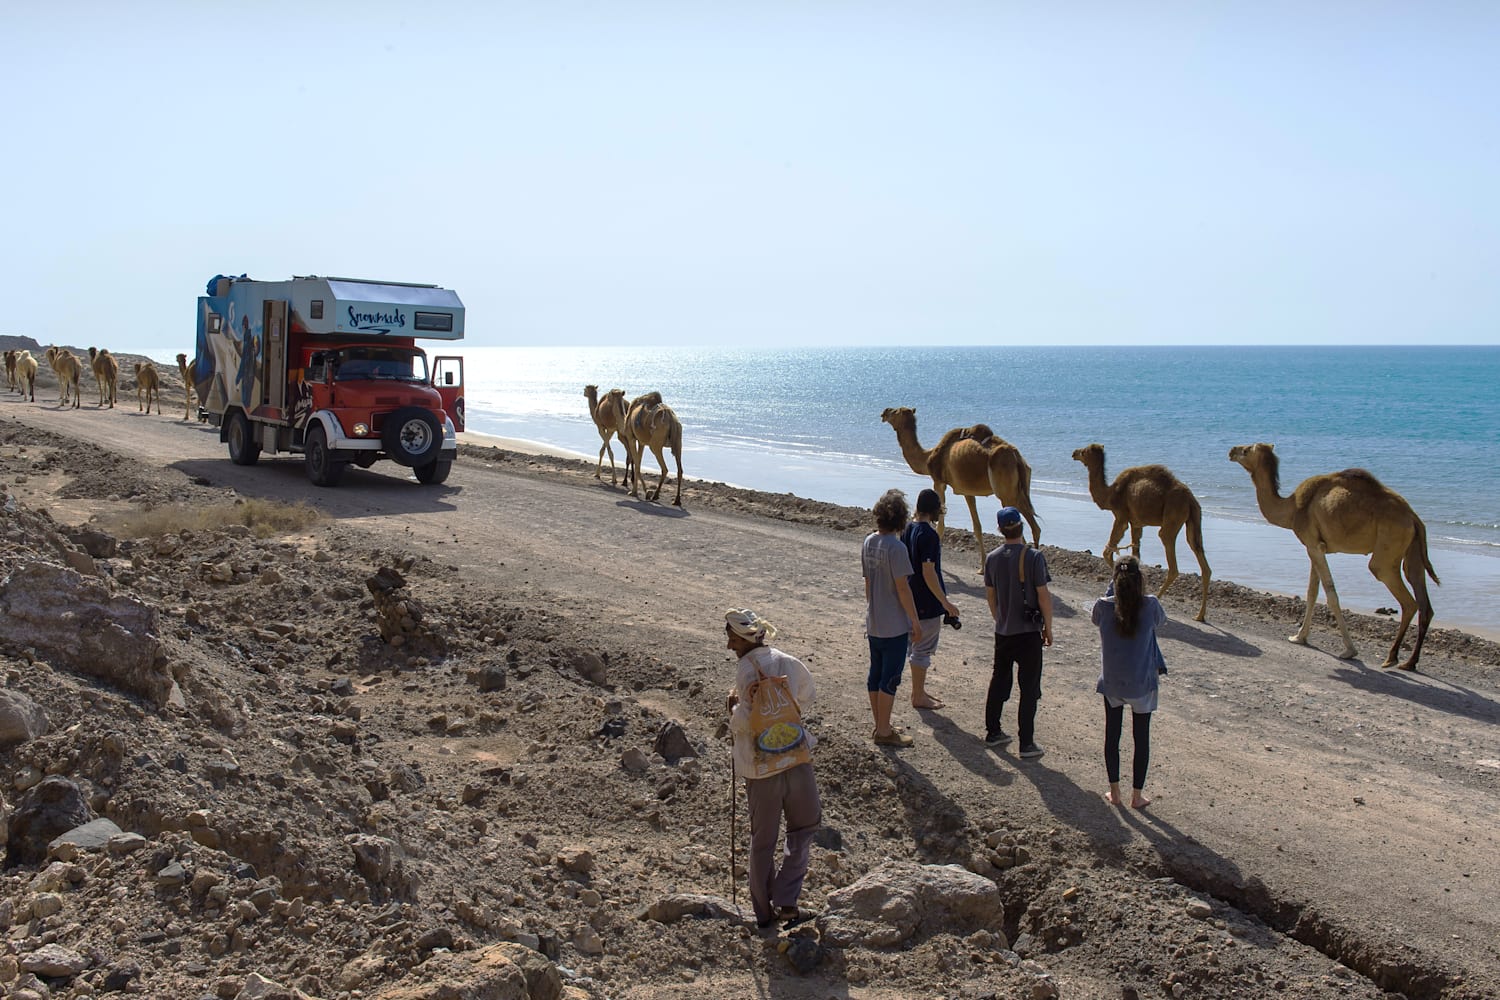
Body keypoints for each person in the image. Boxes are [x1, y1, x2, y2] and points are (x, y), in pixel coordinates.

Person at [724, 608, 822, 928]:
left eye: (732, 638)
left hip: (759, 767)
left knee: (763, 838)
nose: (729, 645)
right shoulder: (788, 662)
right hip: (794, 756)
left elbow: (743, 723)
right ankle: (787, 899)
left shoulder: (744, 669)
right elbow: (807, 695)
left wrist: (735, 708)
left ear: (745, 638)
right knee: (805, 825)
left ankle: (764, 913)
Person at [1091, 557, 1167, 809]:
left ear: (1115, 581)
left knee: (1112, 735)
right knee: (1140, 738)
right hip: (1141, 683)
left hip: (1112, 683)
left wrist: (1111, 590)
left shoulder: (1103, 606)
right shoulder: (1151, 605)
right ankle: (1137, 795)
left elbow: (1096, 616)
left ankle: (1115, 792)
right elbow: (1160, 622)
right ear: (1140, 580)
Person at [982, 505, 1053, 758]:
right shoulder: (1034, 557)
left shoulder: (992, 558)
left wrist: (999, 618)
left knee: (999, 680)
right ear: (1021, 526)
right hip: (1028, 632)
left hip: (1004, 631)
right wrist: (1048, 628)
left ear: (1000, 529)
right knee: (1029, 687)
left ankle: (993, 731)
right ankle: (1027, 743)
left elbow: (991, 596)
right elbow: (1043, 596)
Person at [862, 489, 924, 747]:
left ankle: (880, 726)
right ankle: (884, 730)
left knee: (875, 674)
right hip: (894, 625)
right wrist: (915, 621)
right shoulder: (897, 548)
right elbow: (903, 588)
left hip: (875, 621)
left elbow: (868, 585)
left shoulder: (868, 542)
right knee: (890, 678)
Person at [901, 488, 960, 709]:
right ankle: (918, 695)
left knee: (911, 645)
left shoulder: (907, 529)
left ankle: (918, 691)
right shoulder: (929, 535)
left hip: (909, 597)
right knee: (922, 650)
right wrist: (945, 603)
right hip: (926, 602)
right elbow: (928, 571)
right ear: (935, 510)